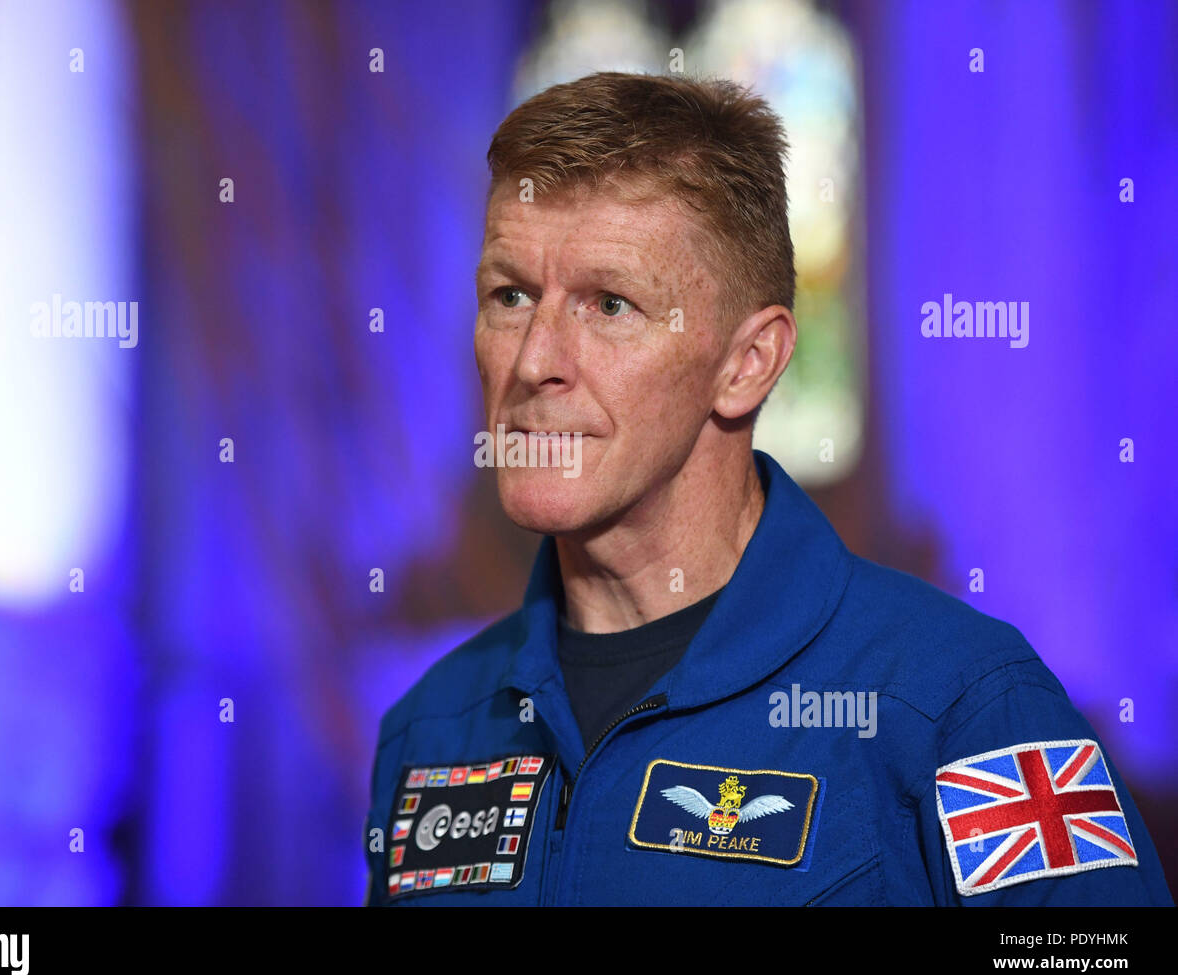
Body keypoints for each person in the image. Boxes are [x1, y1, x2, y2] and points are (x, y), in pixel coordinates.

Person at [362, 71, 1172, 906]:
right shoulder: (436, 727)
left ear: (748, 364)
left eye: (609, 304)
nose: (533, 360)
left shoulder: (956, 708)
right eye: (511, 295)